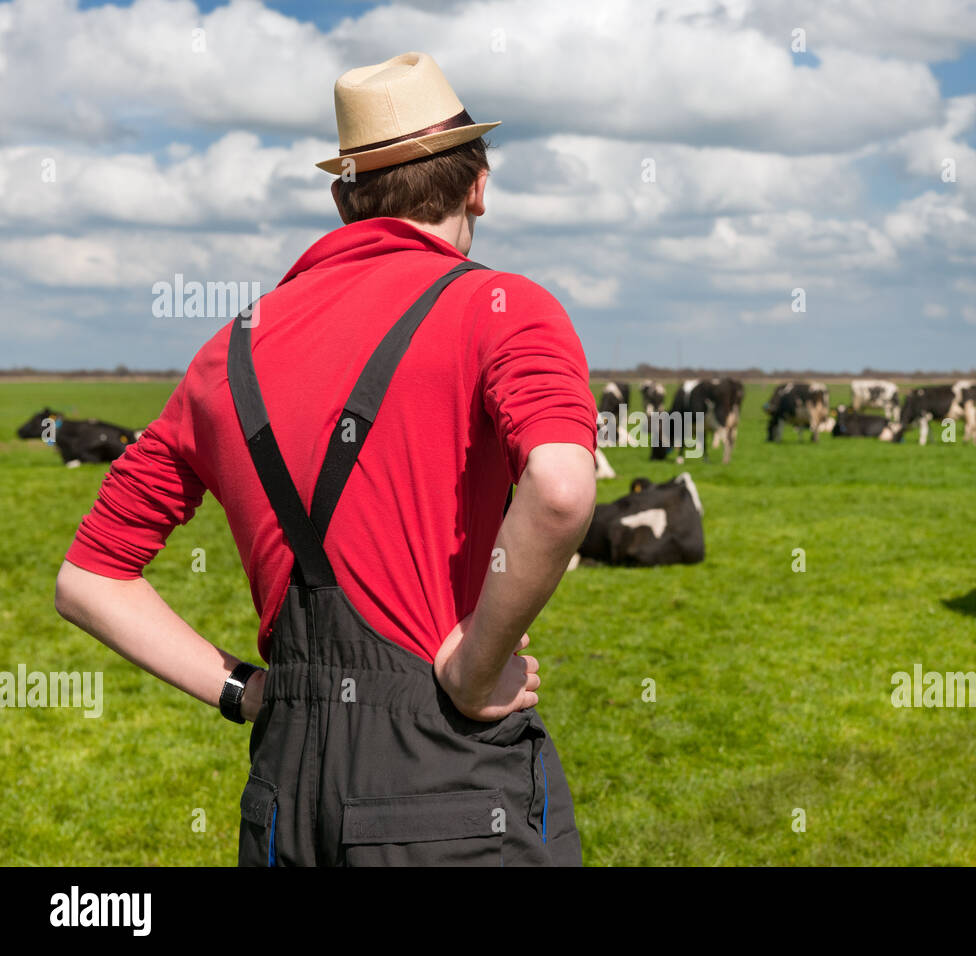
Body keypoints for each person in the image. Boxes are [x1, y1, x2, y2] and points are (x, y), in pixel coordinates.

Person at [54, 51, 597, 866]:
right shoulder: (503, 308)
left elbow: (88, 578)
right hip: (447, 780)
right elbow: (559, 488)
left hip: (283, 791)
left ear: (344, 199)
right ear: (479, 184)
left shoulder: (225, 353)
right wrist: (476, 672)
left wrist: (246, 690)